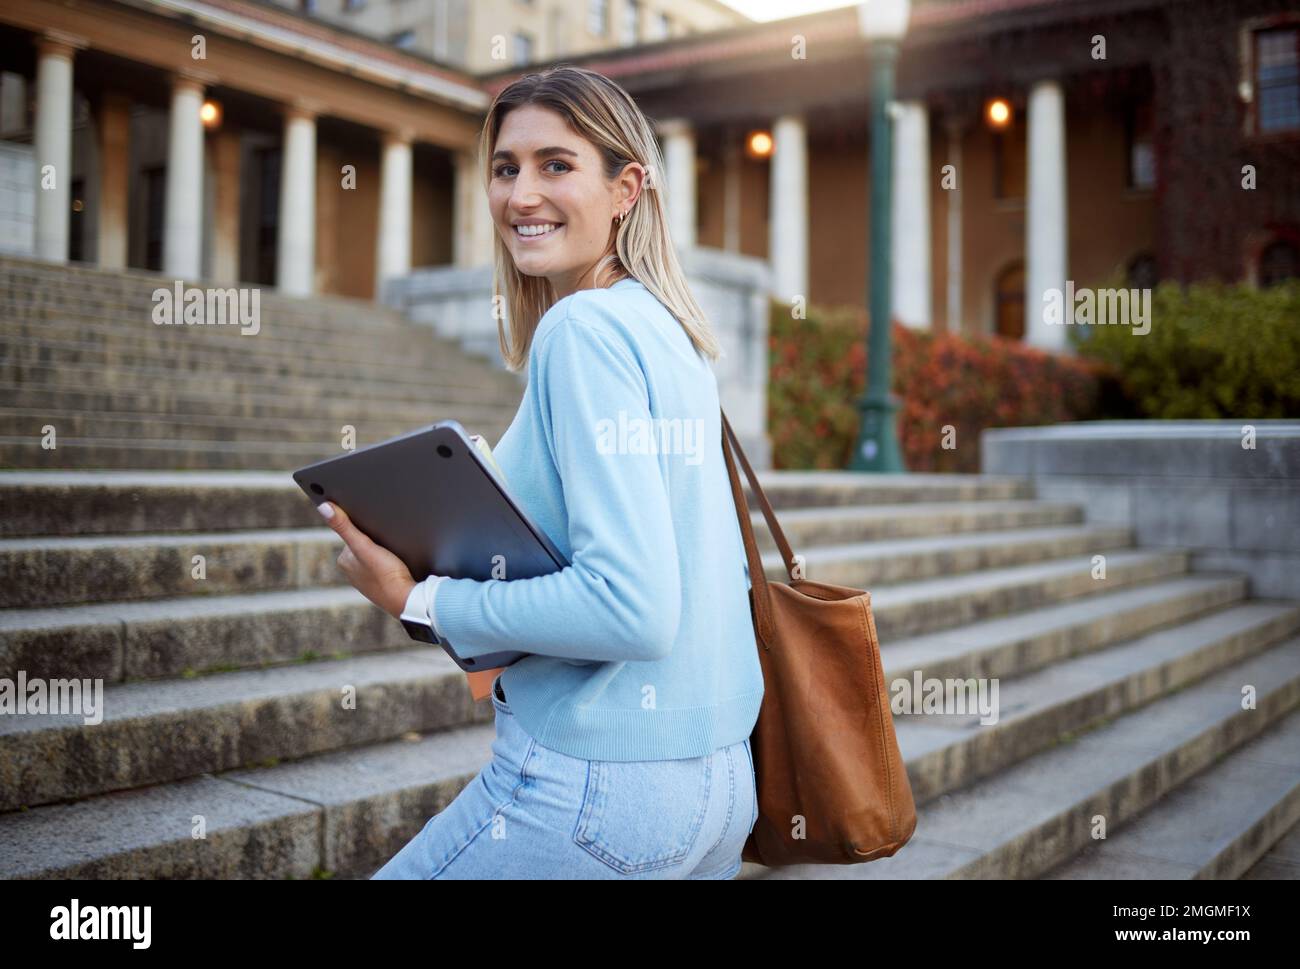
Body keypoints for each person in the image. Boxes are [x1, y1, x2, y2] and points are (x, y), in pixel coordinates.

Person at [319, 65, 763, 879]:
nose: (522, 194)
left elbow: (634, 609)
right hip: (721, 784)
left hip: (599, 785)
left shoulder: (582, 332)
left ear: (627, 186)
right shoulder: (672, 332)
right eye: (505, 167)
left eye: (556, 165)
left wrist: (420, 598)